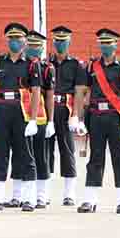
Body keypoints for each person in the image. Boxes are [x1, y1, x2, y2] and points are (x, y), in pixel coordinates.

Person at [0, 23, 41, 212]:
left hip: (22, 112)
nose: (14, 42)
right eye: (11, 38)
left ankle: (29, 199)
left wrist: (33, 119)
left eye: (18, 38)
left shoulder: (31, 64)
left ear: (25, 41)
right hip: (2, 111)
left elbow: (36, 92)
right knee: (1, 154)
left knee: (25, 154)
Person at [75, 28, 120, 214]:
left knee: (119, 158)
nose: (105, 46)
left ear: (115, 45)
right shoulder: (91, 67)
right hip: (96, 117)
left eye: (109, 43)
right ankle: (90, 200)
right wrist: (80, 119)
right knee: (95, 158)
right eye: (102, 43)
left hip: (115, 117)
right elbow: (83, 93)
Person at [47, 25, 84, 206]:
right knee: (45, 151)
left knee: (67, 150)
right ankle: (44, 192)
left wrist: (76, 115)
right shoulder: (46, 63)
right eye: (57, 40)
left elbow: (79, 91)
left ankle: (69, 193)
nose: (60, 43)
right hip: (48, 110)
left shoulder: (76, 65)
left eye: (63, 40)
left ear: (69, 42)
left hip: (65, 110)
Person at [25, 30, 55, 209]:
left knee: (41, 156)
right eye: (30, 45)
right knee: (22, 156)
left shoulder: (47, 68)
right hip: (21, 116)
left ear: (42, 48)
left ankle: (42, 195)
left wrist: (51, 121)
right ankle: (20, 195)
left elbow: (49, 95)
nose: (33, 49)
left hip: (41, 117)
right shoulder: (21, 65)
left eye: (36, 46)